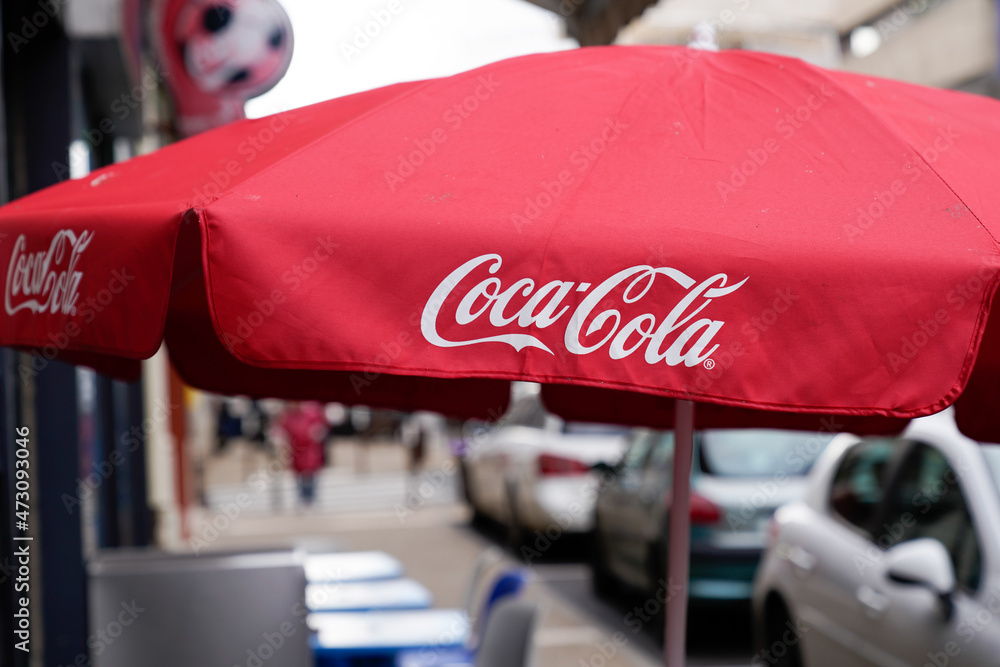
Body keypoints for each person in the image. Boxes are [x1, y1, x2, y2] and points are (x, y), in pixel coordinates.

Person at [278, 401, 328, 506]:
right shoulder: (287, 417)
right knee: (298, 476)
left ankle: (311, 498)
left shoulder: (311, 414)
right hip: (295, 451)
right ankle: (301, 499)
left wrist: (315, 434)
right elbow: (281, 431)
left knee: (310, 475)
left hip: (309, 450)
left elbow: (320, 428)